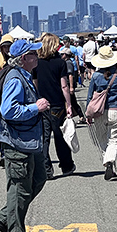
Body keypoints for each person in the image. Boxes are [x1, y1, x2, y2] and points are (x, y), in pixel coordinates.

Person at [0, 39, 50, 232]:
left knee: (38, 178)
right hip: (17, 141)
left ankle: (6, 218)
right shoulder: (15, 78)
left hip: (26, 141)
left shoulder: (22, 75)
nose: (38, 56)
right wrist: (36, 107)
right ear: (24, 58)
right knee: (20, 189)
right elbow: (9, 111)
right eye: (34, 53)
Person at [33, 33, 75, 179]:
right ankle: (66, 166)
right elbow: (64, 86)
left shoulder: (37, 62)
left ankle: (46, 169)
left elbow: (35, 83)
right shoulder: (60, 62)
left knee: (44, 139)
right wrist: (69, 104)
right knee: (60, 136)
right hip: (57, 104)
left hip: (42, 104)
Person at [87, 46, 117, 180]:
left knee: (102, 139)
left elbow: (90, 96)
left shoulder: (95, 76)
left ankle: (109, 164)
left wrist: (88, 114)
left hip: (99, 111)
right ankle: (110, 161)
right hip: (116, 110)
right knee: (115, 140)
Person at [59, 47, 85, 122]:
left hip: (67, 85)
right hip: (66, 85)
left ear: (66, 55)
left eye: (62, 54)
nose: (61, 56)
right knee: (72, 101)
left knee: (72, 101)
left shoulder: (68, 63)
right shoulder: (66, 62)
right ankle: (80, 115)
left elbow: (70, 75)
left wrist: (71, 87)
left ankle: (80, 116)